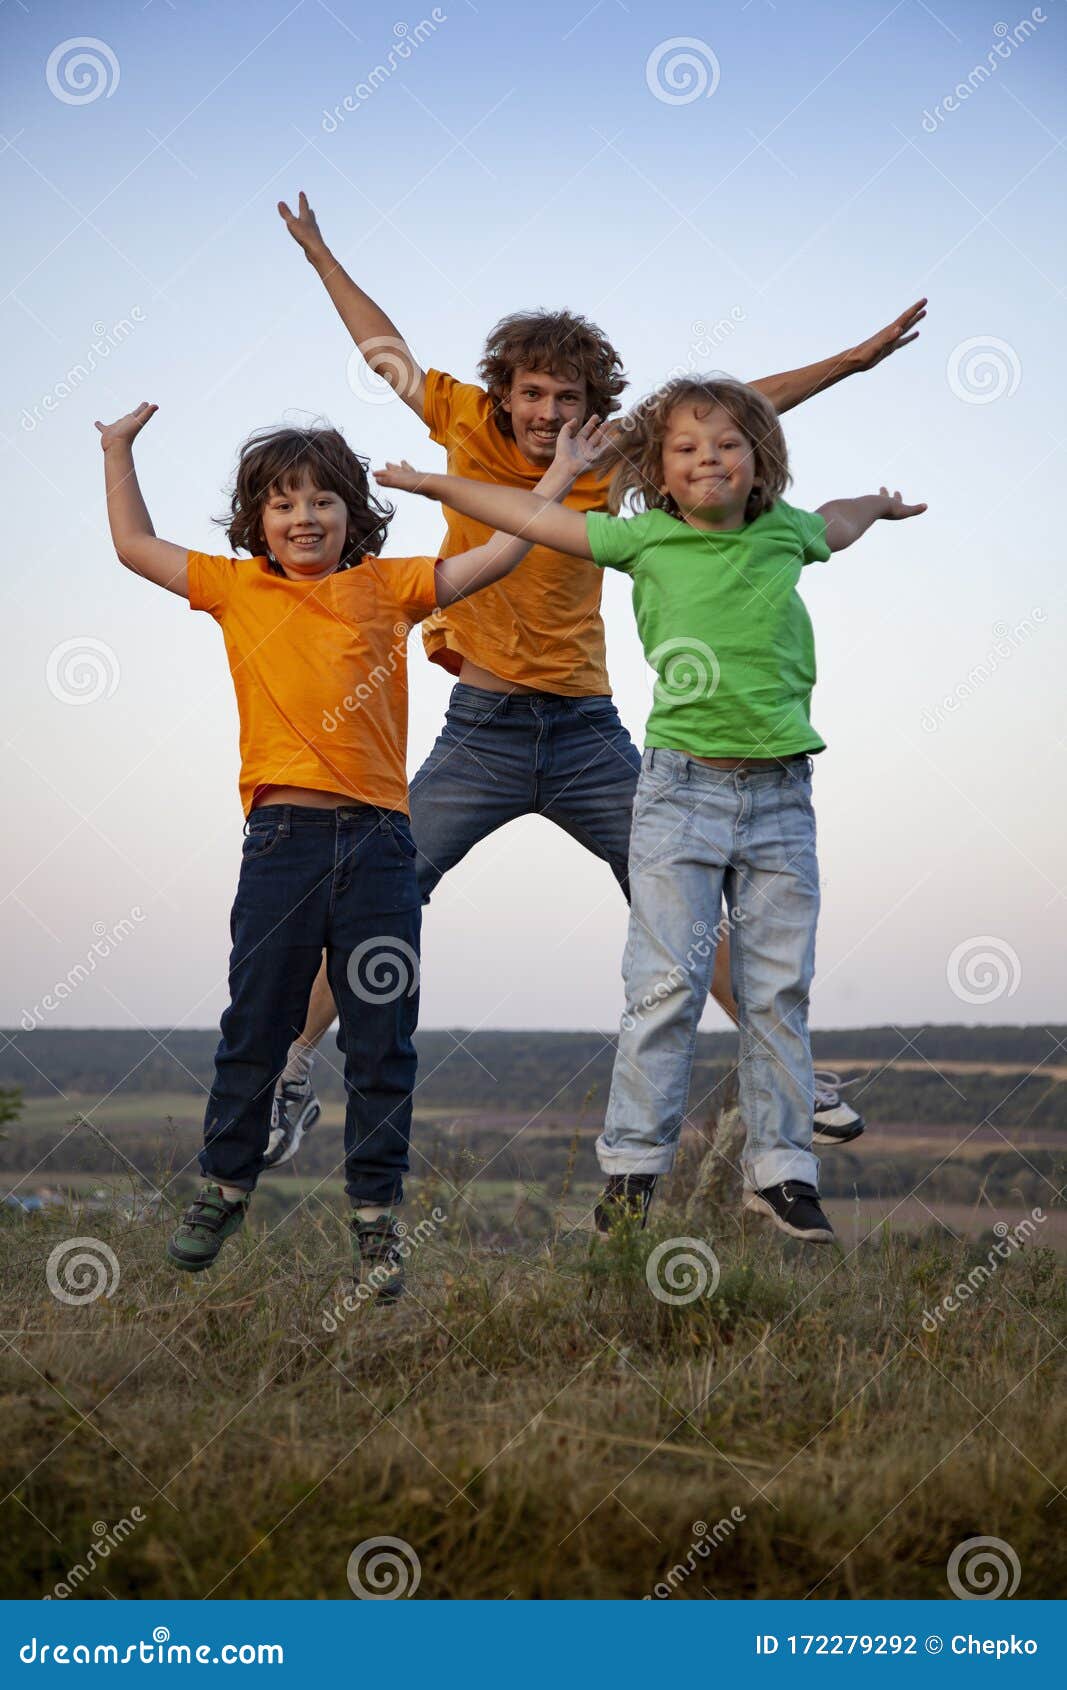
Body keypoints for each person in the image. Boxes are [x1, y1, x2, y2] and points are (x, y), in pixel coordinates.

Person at [264, 190, 925, 1170]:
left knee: (680, 903)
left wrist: (852, 362)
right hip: (480, 727)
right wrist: (321, 257)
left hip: (586, 734)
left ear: (591, 405)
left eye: (566, 399)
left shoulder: (614, 455)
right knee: (384, 885)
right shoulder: (457, 420)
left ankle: (791, 1073)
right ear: (505, 390)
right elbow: (383, 347)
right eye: (531, 394)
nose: (546, 415)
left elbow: (743, 406)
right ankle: (287, 1067)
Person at [371, 376, 926, 1244]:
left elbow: (841, 519)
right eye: (686, 448)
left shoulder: (789, 533)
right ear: (659, 476)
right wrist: (433, 485)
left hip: (782, 795)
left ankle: (781, 1174)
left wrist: (882, 505)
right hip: (679, 795)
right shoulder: (642, 539)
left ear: (758, 463)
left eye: (729, 445)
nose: (710, 457)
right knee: (663, 989)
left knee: (778, 991)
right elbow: (527, 518)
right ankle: (630, 1173)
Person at [95, 400, 602, 1296]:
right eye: (284, 502)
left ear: (352, 514)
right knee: (257, 1028)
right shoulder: (233, 586)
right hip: (281, 843)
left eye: (324, 500)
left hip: (379, 845)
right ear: (256, 520)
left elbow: (497, 554)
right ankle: (223, 1186)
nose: (304, 517)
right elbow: (135, 547)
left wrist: (556, 482)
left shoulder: (388, 585)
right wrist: (117, 449)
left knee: (382, 1038)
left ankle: (375, 1221)